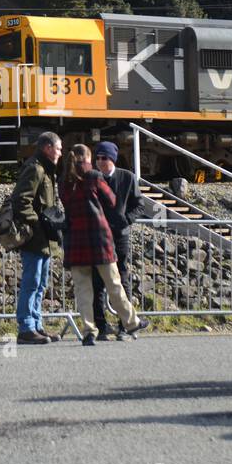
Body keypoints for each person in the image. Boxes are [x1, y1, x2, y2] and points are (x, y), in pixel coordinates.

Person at [59, 143, 149, 346]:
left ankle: (89, 331)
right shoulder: (94, 177)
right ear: (89, 159)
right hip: (99, 240)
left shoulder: (64, 181)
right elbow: (112, 200)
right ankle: (131, 322)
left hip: (76, 241)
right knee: (114, 284)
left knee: (83, 290)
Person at [11, 132, 62, 344]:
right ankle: (26, 327)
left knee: (40, 283)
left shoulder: (46, 170)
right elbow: (20, 200)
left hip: (45, 238)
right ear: (48, 148)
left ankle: (36, 325)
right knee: (32, 282)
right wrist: (37, 223)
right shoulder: (35, 168)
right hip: (35, 237)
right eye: (58, 148)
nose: (61, 152)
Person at [91, 141, 143, 340]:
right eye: (98, 158)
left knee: (121, 279)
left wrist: (126, 220)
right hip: (98, 237)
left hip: (120, 237)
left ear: (112, 158)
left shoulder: (127, 178)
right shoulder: (93, 179)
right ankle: (101, 327)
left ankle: (124, 326)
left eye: (104, 158)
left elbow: (139, 204)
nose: (100, 161)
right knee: (97, 282)